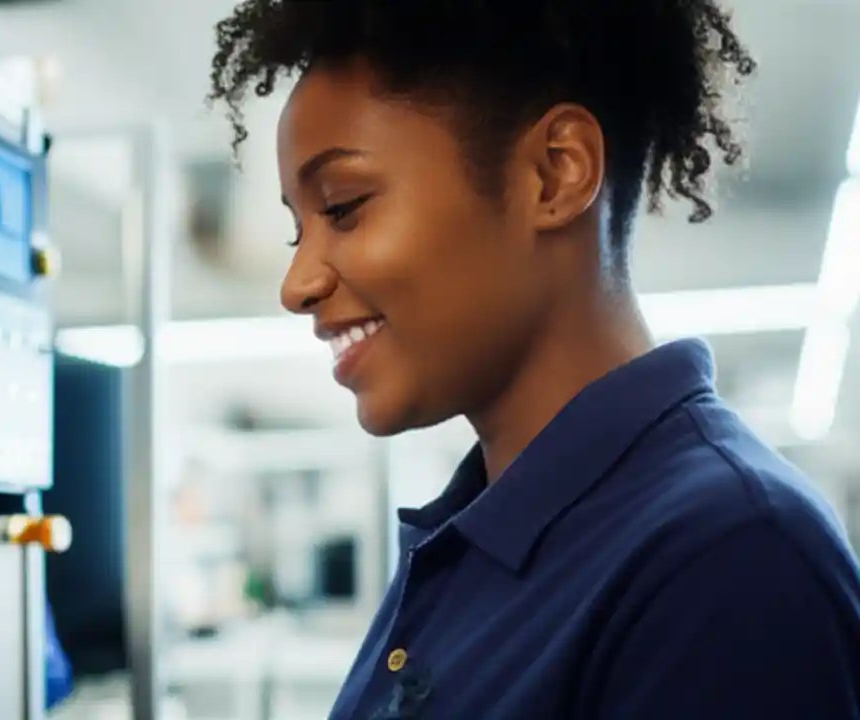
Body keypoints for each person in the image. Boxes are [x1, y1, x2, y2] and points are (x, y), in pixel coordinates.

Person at [207, 2, 860, 719]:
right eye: (298, 231)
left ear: (555, 174)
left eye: (344, 207)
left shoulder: (729, 559)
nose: (296, 284)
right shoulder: (468, 547)